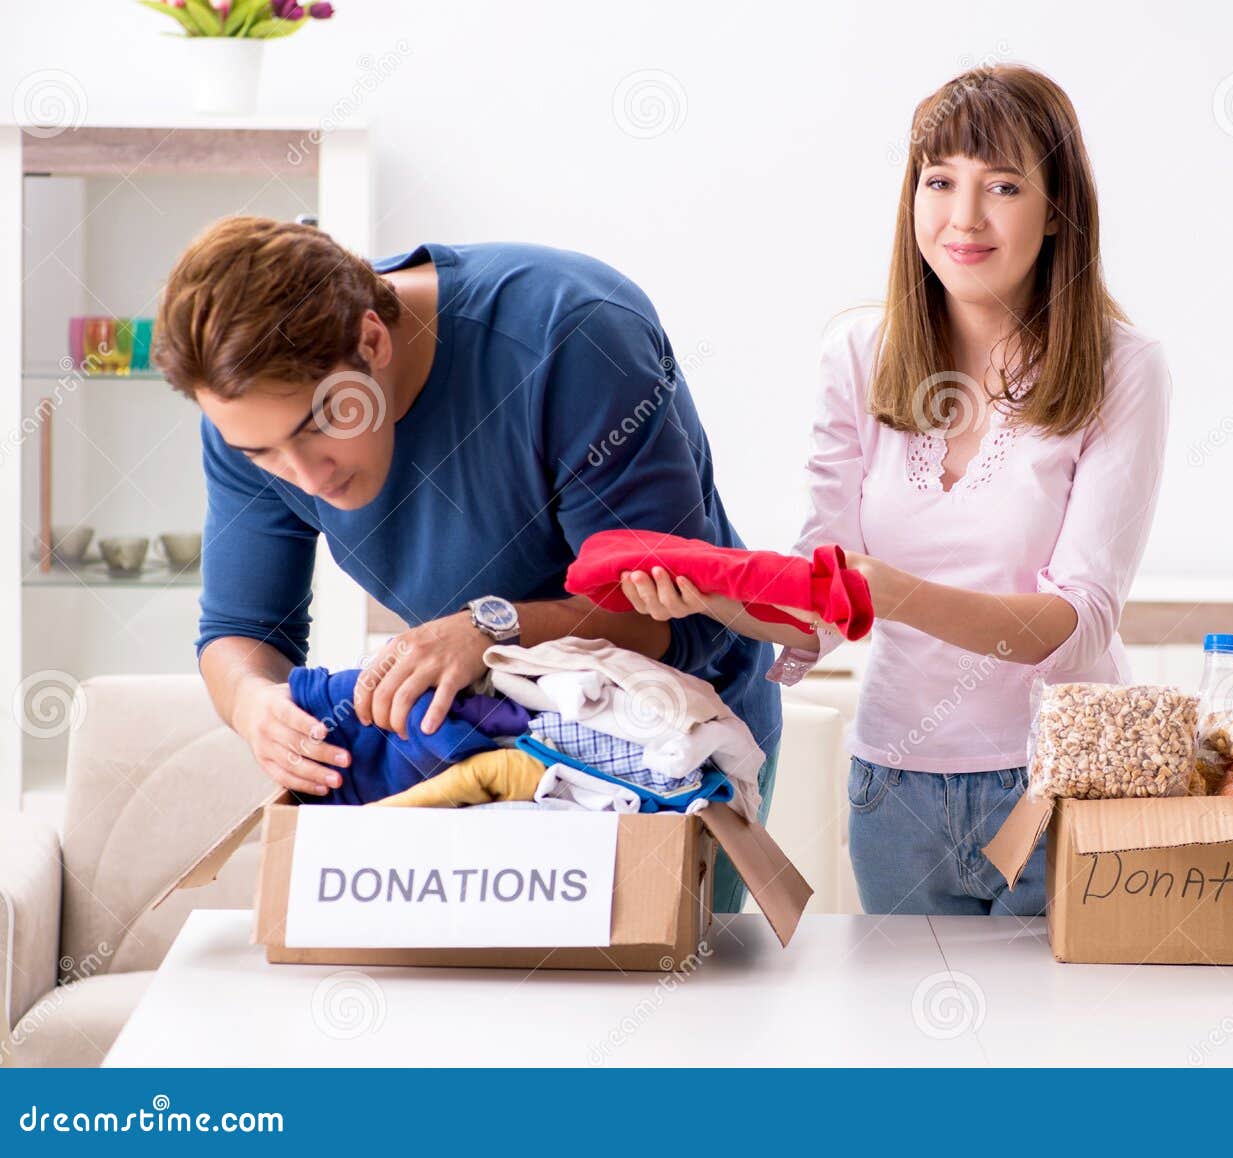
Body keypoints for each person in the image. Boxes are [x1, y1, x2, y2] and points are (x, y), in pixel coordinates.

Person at [616, 64, 1171, 915]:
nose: (964, 216)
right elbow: (815, 598)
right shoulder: (858, 353)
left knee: (1061, 1044)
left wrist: (894, 594)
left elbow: (1078, 621)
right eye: (939, 180)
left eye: (1004, 185)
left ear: (1057, 210)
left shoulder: (1123, 367)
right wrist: (705, 594)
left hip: (1062, 787)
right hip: (896, 792)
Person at [154, 218, 780, 911]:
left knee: (664, 1005)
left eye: (316, 427)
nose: (301, 474)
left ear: (371, 339)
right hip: (491, 744)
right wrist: (254, 705)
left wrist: (493, 628)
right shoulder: (252, 419)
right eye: (261, 453)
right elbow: (241, 631)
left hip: (673, 735)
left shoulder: (571, 337)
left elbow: (672, 619)